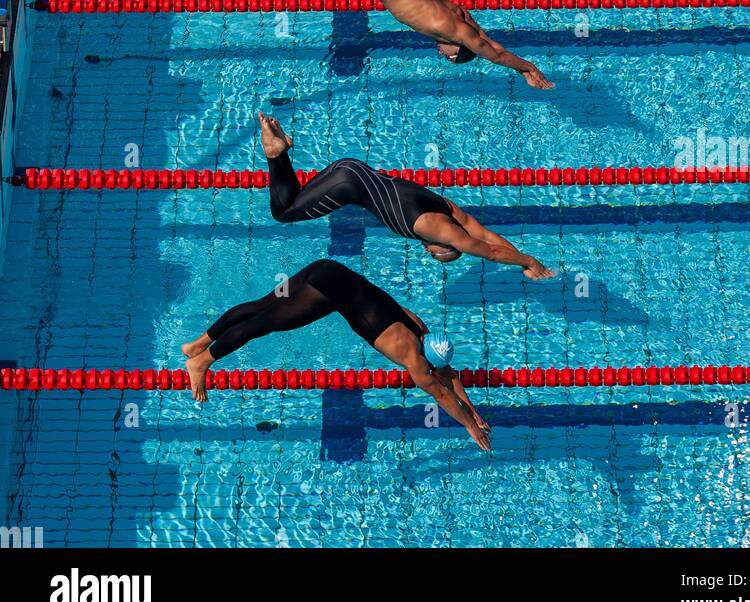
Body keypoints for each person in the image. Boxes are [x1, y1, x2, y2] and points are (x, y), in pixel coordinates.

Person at [181, 258, 492, 449]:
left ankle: (197, 343)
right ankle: (201, 361)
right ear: (431, 363)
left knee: (261, 306)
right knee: (262, 325)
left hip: (326, 270)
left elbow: (449, 376)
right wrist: (467, 424)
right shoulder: (415, 360)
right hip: (324, 293)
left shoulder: (418, 327)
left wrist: (473, 410)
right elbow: (442, 394)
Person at [197, 0, 554, 88]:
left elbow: (488, 40)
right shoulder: (456, 30)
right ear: (458, 49)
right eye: (446, 55)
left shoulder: (461, 16)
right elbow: (494, 51)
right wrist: (525, 68)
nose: (439, 53)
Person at [259, 112, 555, 277]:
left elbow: (487, 235)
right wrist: (529, 263)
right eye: (437, 255)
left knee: (291, 201)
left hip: (353, 170)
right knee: (282, 213)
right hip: (347, 183)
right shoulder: (437, 228)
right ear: (446, 245)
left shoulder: (450, 210)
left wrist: (520, 257)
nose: (428, 253)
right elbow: (487, 250)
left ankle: (281, 149)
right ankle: (276, 153)